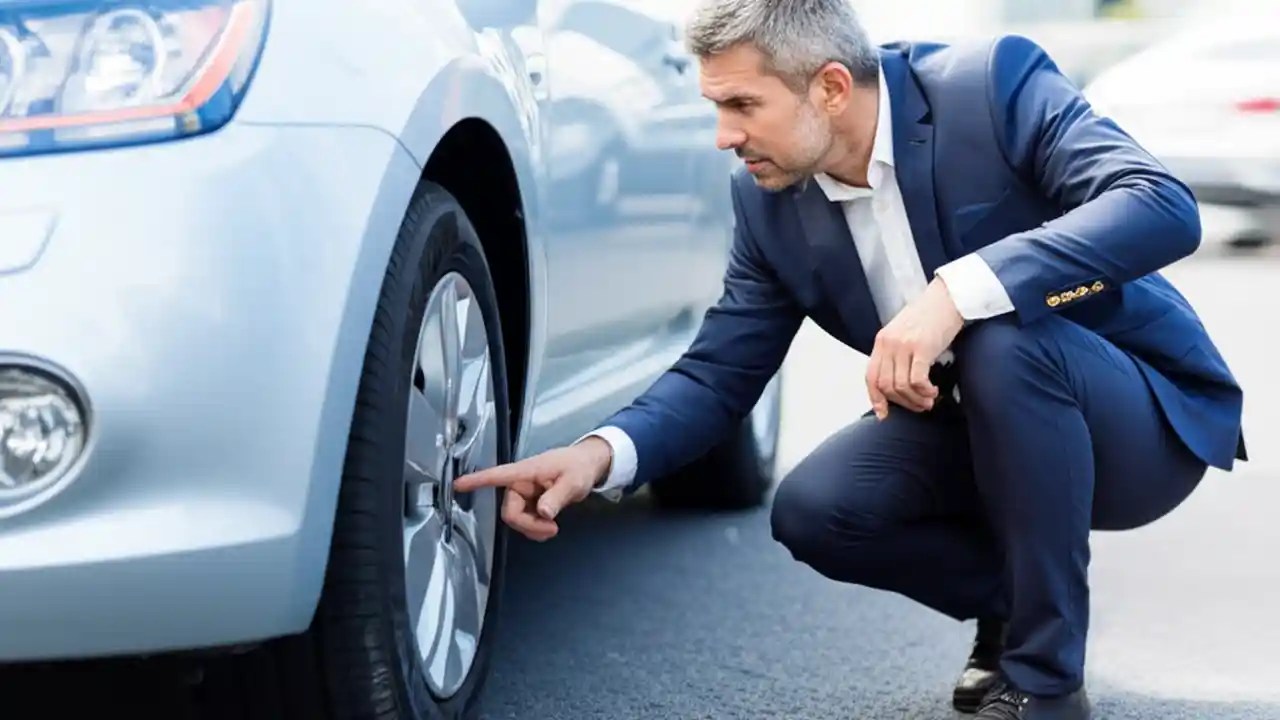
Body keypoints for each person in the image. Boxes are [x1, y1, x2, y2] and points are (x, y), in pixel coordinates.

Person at [455, 1, 1248, 717]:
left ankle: (1043, 683)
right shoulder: (764, 201)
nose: (724, 135)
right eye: (715, 106)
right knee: (818, 509)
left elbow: (1158, 203)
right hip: (981, 428)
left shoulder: (989, 86)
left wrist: (959, 292)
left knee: (1002, 336)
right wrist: (595, 457)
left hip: (1137, 416)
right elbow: (719, 372)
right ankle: (1020, 604)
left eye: (742, 105)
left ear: (831, 88)